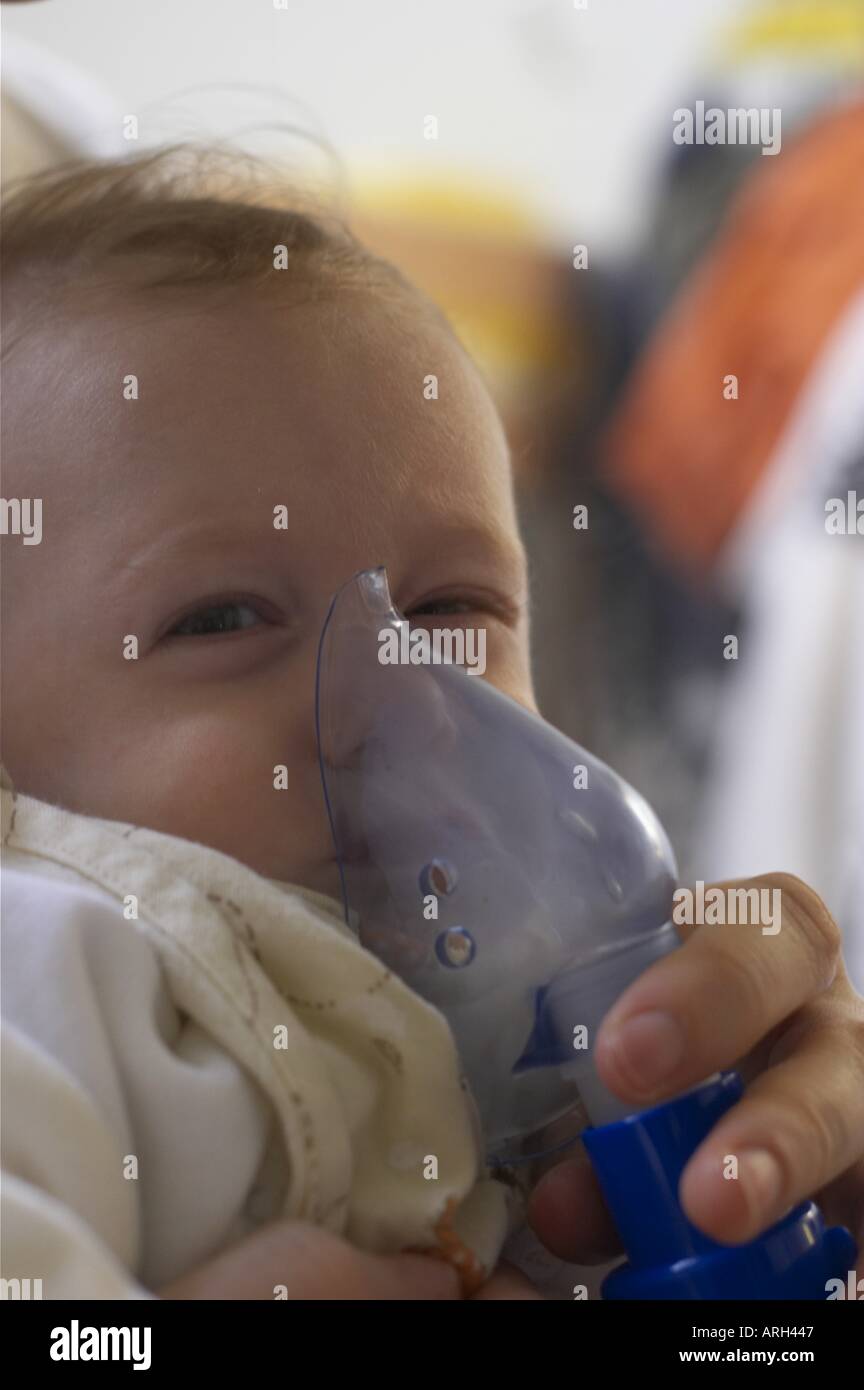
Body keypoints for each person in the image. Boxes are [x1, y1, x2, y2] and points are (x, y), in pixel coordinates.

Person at [2, 151, 862, 1299]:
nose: (400, 708)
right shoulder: (57, 974)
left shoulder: (566, 1067)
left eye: (452, 611)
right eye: (221, 617)